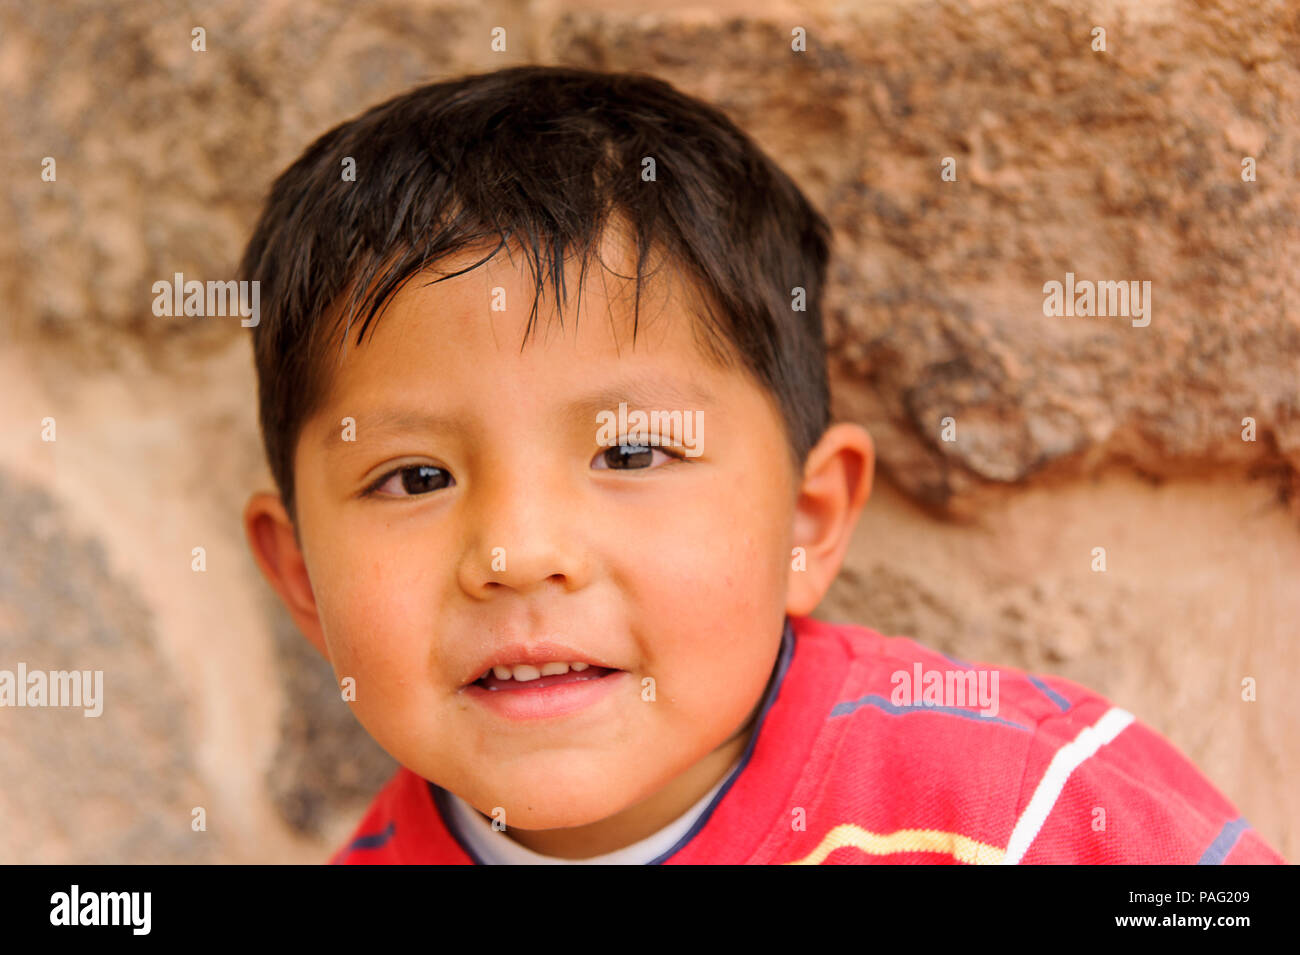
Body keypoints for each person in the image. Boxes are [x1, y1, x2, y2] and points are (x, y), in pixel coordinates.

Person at [239, 66, 1283, 864]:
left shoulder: (1021, 807)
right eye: (415, 477)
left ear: (807, 520)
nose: (516, 553)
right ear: (300, 580)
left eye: (630, 449)